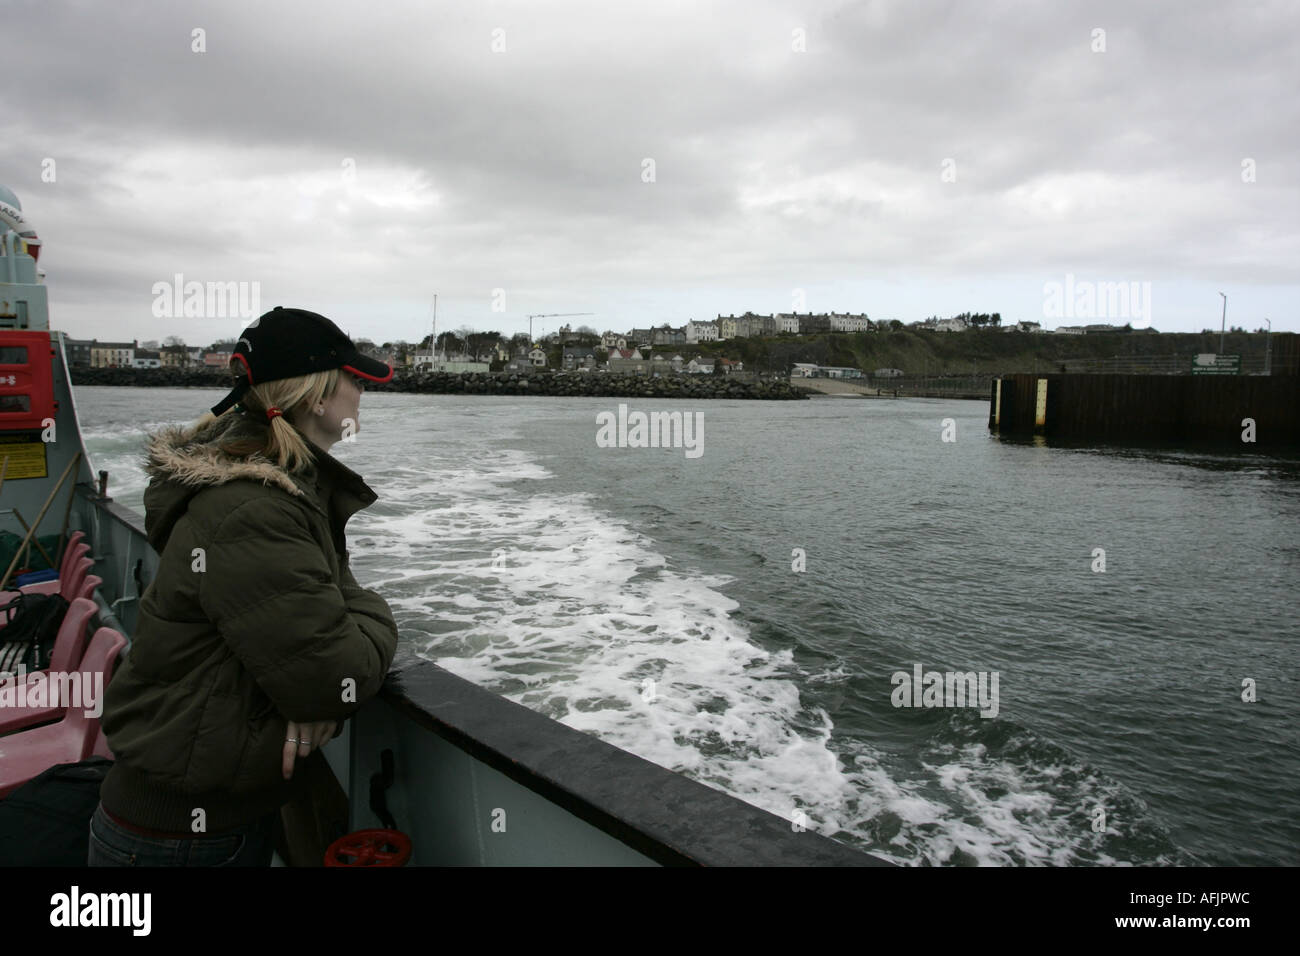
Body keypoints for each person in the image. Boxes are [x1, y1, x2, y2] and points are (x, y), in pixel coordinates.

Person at [89, 307, 399, 866]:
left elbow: (312, 641)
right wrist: (371, 615)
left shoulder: (268, 489)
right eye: (353, 379)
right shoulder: (254, 510)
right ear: (317, 398)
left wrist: (320, 667)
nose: (362, 392)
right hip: (181, 841)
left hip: (194, 820)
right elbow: (336, 674)